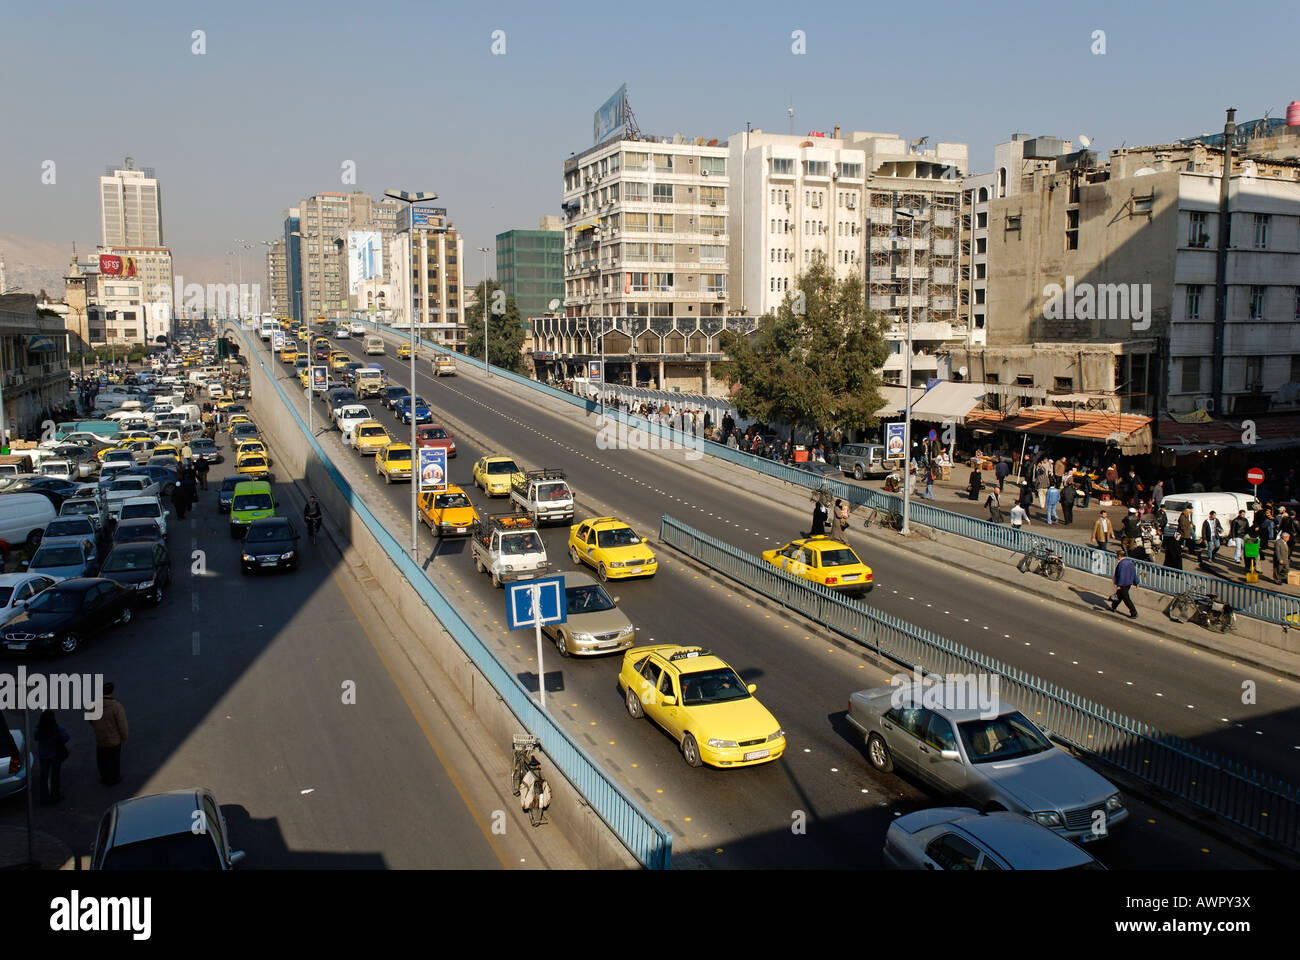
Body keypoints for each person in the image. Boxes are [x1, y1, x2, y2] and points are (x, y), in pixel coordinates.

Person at [89, 682, 128, 786]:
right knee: (114, 759)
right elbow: (122, 724)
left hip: (100, 737)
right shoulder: (116, 706)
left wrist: (97, 727)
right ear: (112, 691)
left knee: (102, 759)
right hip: (114, 739)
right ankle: (114, 778)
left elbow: (90, 719)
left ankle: (104, 776)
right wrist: (124, 737)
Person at [35, 709, 69, 805]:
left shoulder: (39, 729)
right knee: (55, 777)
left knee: (44, 777)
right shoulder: (57, 729)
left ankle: (44, 797)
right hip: (55, 755)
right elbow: (66, 737)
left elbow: (35, 736)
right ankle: (55, 795)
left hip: (43, 756)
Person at [1109, 548, 1140, 619]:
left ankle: (1134, 613)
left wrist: (1119, 585)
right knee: (1119, 596)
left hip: (1123, 584)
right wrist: (1136, 582)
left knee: (1126, 599)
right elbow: (1134, 573)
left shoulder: (1121, 564)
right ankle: (1113, 607)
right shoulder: (1130, 563)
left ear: (1119, 556)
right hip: (1128, 583)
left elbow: (1121, 576)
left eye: (1117, 555)